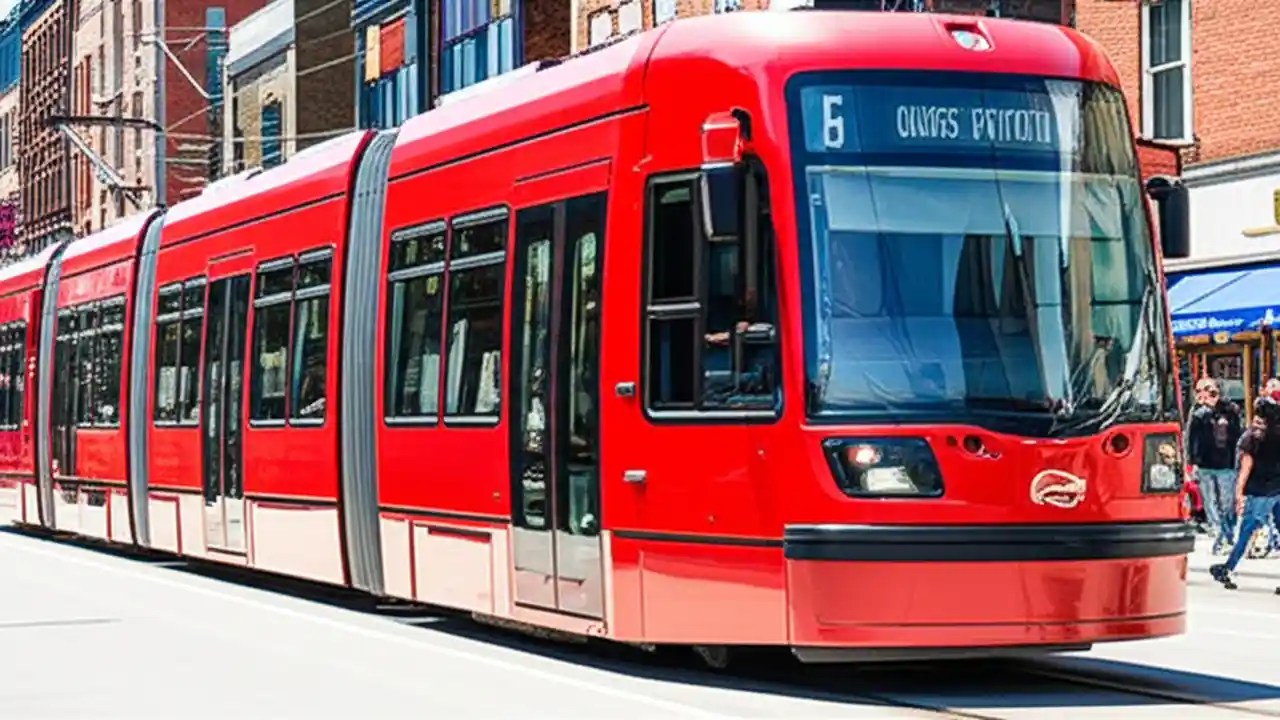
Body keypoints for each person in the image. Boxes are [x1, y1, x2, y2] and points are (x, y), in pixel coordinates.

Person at [1209, 396, 1280, 591]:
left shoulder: (1252, 438)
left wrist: (1238, 493)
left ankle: (1227, 568)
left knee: (1246, 532)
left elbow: (1245, 468)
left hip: (1258, 491)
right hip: (1276, 489)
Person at [1185, 378, 1244, 554]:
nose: (1205, 394)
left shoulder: (1229, 410)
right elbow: (1191, 438)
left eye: (1209, 390)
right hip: (1205, 464)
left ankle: (1228, 533)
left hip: (1225, 463)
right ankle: (1218, 532)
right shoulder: (1197, 413)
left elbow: (1236, 434)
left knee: (1226, 501)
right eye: (1199, 391)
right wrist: (1192, 461)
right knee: (1209, 501)